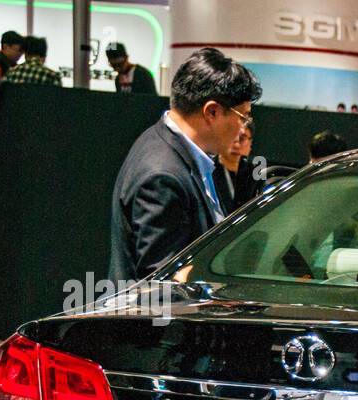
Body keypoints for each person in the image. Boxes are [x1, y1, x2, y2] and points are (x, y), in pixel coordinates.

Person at [109, 47, 261, 282]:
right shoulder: (162, 176)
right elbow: (162, 284)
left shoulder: (166, 145)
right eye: (243, 117)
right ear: (212, 112)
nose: (243, 128)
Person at [215, 122, 256, 214]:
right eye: (231, 137)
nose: (236, 145)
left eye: (242, 138)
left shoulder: (255, 174)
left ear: (250, 144)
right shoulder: (207, 171)